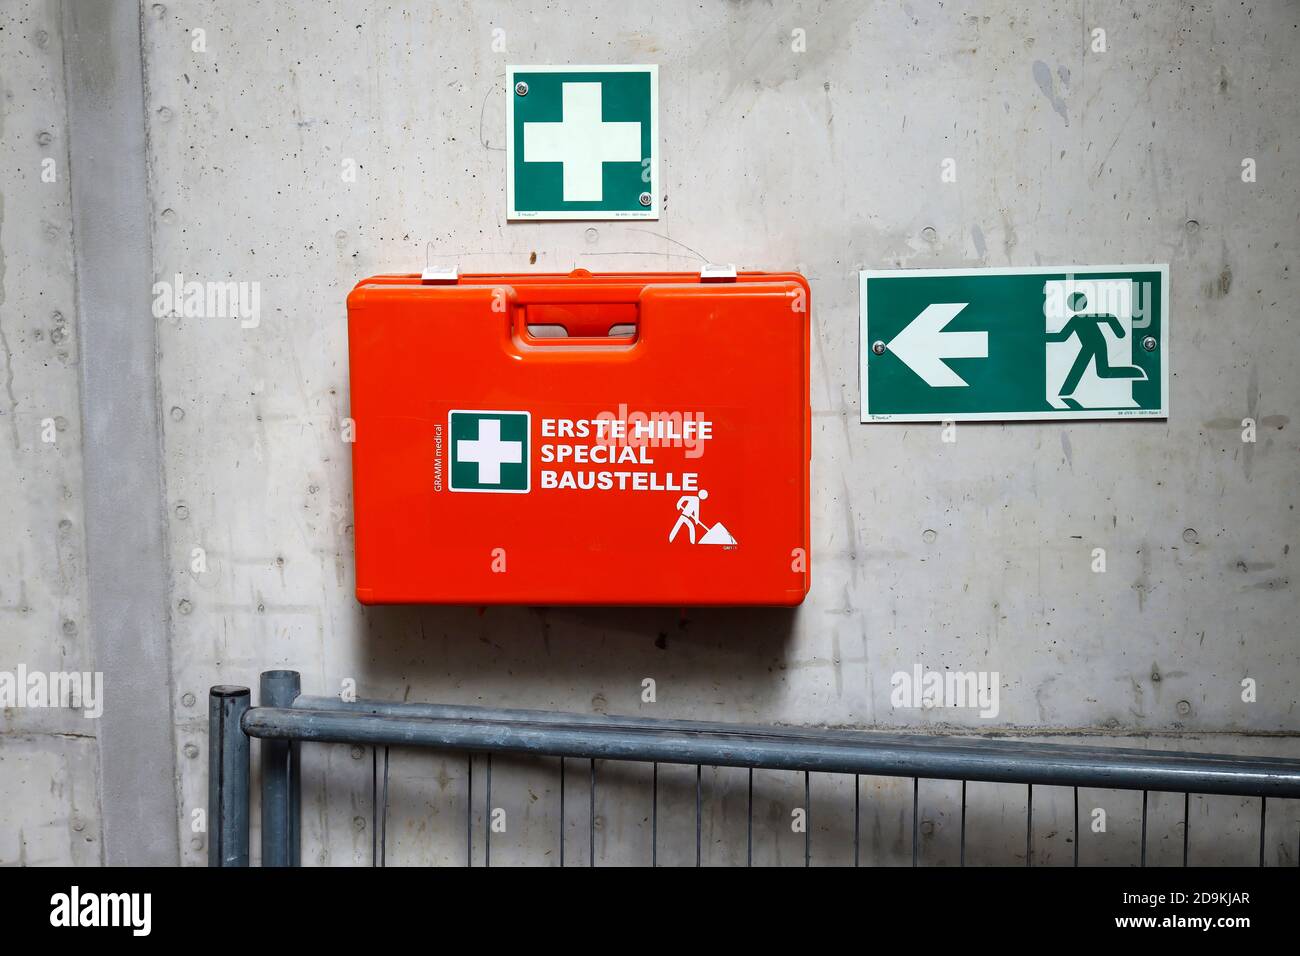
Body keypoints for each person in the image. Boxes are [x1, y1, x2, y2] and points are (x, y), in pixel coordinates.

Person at [1046, 292, 1146, 407]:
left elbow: (1110, 317)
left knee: (1097, 371)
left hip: (1097, 344)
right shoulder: (1076, 319)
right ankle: (1135, 372)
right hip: (1089, 345)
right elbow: (1063, 337)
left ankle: (1065, 392)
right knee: (1103, 372)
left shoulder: (1084, 317)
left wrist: (1119, 333)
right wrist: (1043, 337)